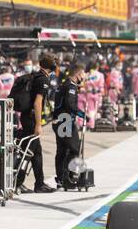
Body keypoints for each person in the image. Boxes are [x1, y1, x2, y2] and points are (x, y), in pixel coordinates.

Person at [16, 54, 56, 192]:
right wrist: (38, 124)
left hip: (27, 117)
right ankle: (17, 182)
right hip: (31, 119)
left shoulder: (36, 76)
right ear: (52, 65)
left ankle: (39, 183)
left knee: (36, 152)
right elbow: (38, 102)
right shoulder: (43, 79)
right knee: (27, 151)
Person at [52, 62, 86, 189]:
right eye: (83, 74)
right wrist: (81, 113)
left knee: (61, 151)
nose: (84, 77)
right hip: (65, 121)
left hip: (59, 120)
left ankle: (61, 178)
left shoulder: (63, 84)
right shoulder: (70, 87)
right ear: (77, 75)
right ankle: (67, 178)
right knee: (74, 149)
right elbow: (70, 104)